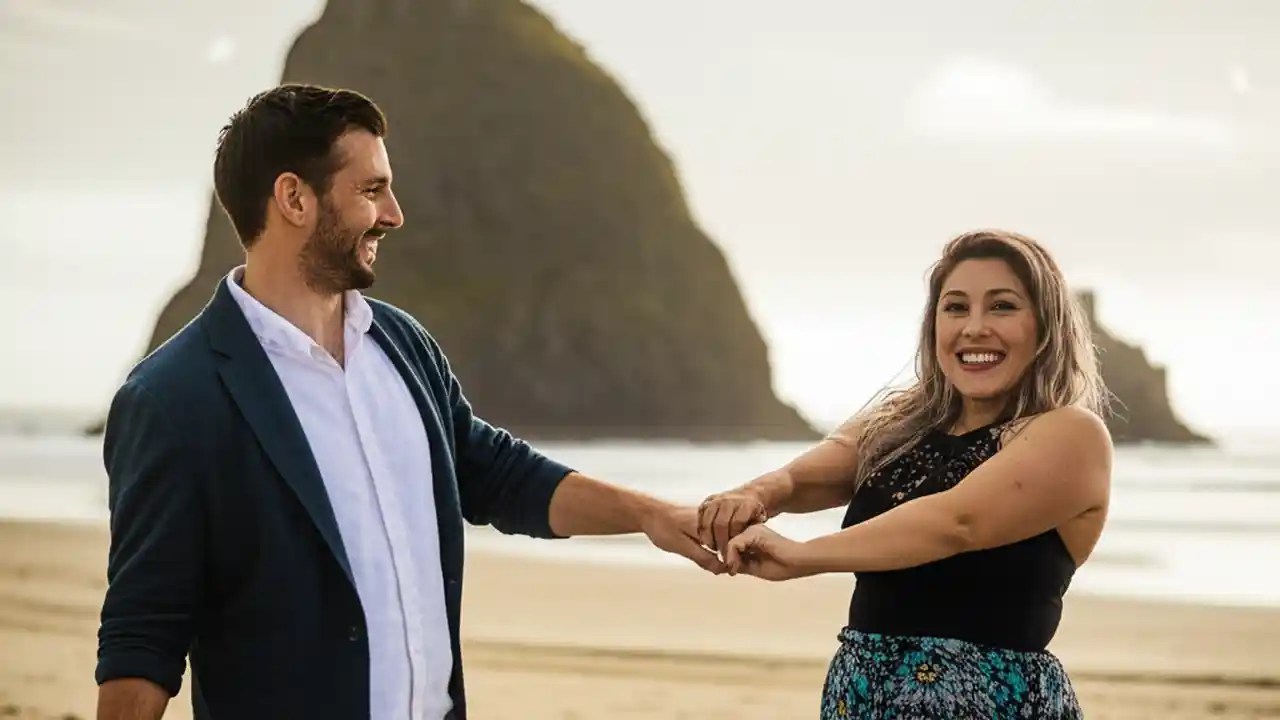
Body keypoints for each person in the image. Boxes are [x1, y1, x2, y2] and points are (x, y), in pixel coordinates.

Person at [94, 83, 724, 720]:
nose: (393, 213)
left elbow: (499, 476)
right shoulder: (172, 400)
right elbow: (141, 641)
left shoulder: (405, 347)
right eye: (370, 190)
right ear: (294, 198)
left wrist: (651, 515)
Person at [696, 229, 1111, 719]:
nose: (975, 327)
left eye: (1002, 306)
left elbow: (955, 522)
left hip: (987, 703)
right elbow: (804, 478)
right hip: (864, 693)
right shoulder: (899, 423)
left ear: (1045, 327)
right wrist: (750, 497)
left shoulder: (1072, 434)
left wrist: (804, 556)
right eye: (955, 307)